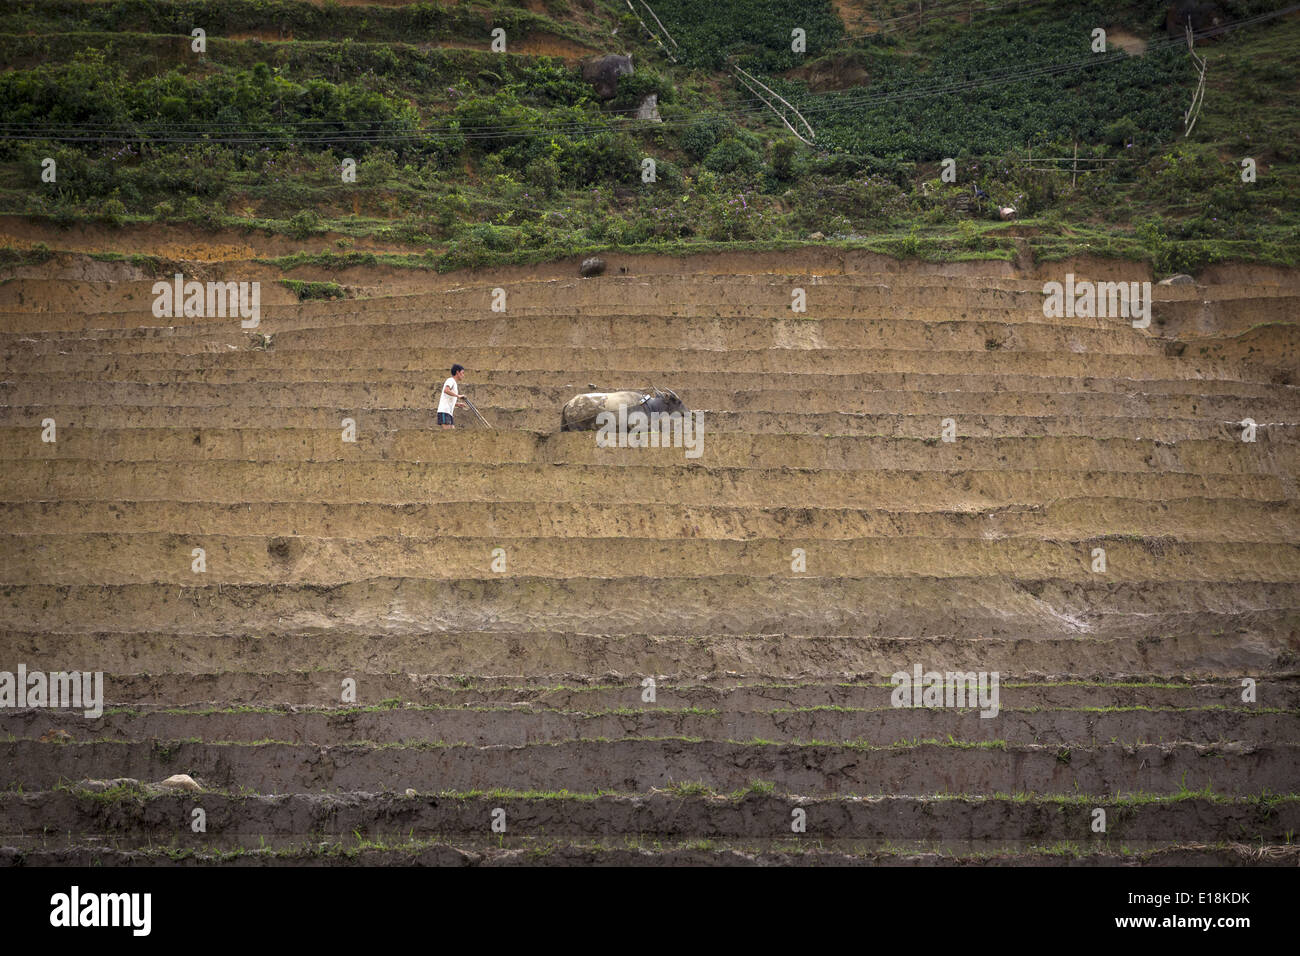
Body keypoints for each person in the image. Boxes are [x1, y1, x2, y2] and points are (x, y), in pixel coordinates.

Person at [437, 363, 468, 429]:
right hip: (444, 411)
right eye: (462, 373)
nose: (463, 375)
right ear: (457, 372)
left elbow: (447, 399)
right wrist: (458, 396)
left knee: (453, 433)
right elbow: (446, 390)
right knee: (448, 435)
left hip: (449, 412)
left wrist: (457, 404)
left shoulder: (454, 383)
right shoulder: (450, 380)